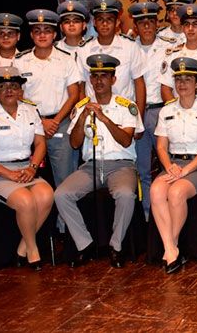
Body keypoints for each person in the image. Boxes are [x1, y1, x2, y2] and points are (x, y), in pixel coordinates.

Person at [54, 53, 144, 268]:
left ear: (113, 79)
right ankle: (84, 243)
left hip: (121, 165)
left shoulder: (126, 106)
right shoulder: (82, 106)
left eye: (104, 76)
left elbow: (125, 140)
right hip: (91, 166)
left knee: (125, 195)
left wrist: (105, 119)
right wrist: (83, 118)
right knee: (61, 195)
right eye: (95, 77)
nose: (99, 81)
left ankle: (116, 246)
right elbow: (75, 144)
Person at [0, 66, 54, 270]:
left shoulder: (31, 111)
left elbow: (40, 144)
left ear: (20, 90)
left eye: (14, 86)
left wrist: (32, 168)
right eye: (3, 86)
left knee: (46, 195)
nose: (9, 90)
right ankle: (33, 251)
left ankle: (21, 248)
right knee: (25, 201)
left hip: (26, 169)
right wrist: (8, 174)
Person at [152, 57, 197, 273]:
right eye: (178, 79)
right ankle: (171, 249)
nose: (182, 84)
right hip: (173, 163)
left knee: (176, 193)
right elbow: (162, 148)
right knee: (156, 191)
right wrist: (170, 167)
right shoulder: (166, 110)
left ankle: (170, 248)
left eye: (187, 80)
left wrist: (185, 171)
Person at [14, 9, 81, 193]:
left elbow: (74, 94)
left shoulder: (67, 60)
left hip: (59, 124)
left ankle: (64, 222)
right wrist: (40, 121)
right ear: (31, 34)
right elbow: (18, 95)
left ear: (54, 34)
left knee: (65, 181)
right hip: (31, 124)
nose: (42, 35)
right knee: (27, 180)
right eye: (37, 31)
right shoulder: (20, 61)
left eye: (47, 31)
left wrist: (55, 121)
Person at [129, 1, 169, 218]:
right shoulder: (128, 48)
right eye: (141, 23)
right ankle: (147, 217)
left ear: (156, 24)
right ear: (135, 26)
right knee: (142, 169)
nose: (146, 27)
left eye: (150, 22)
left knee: (167, 165)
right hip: (137, 113)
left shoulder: (169, 47)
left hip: (162, 111)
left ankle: (167, 214)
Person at [76, 0, 146, 116]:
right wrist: (83, 113)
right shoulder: (84, 50)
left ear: (117, 22)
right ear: (94, 22)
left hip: (124, 114)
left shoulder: (130, 46)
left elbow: (139, 83)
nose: (104, 24)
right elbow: (81, 87)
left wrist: (138, 117)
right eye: (100, 19)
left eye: (109, 19)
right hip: (94, 112)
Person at [160, 4, 197, 101]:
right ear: (183, 28)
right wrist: (176, 111)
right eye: (187, 24)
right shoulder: (173, 54)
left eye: (195, 24)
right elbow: (165, 89)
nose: (190, 28)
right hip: (178, 111)